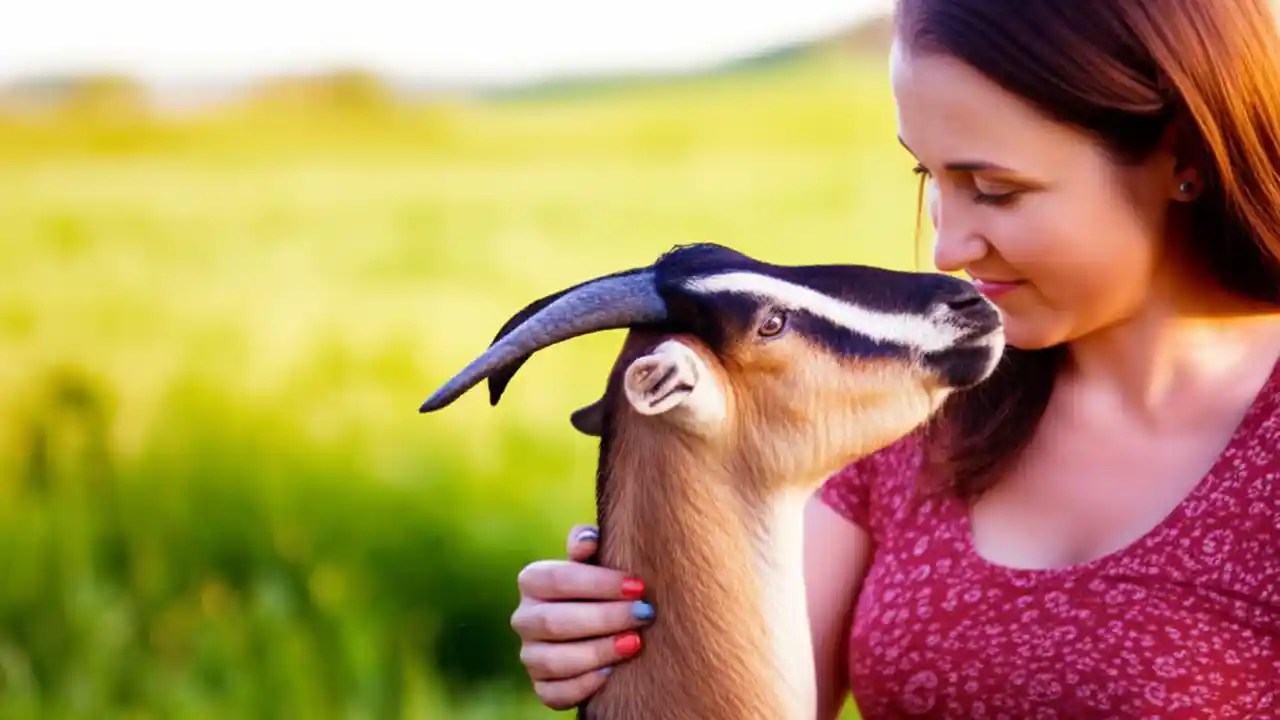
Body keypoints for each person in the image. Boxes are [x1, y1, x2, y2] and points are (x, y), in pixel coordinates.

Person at [508, 0, 1280, 716]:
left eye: (995, 188)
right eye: (929, 175)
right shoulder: (898, 407)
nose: (948, 248)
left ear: (1184, 159)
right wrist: (644, 643)